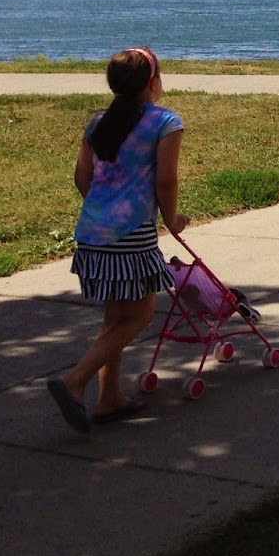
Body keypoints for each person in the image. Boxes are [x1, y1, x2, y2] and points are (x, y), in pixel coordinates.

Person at [46, 47, 186, 433]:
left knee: (115, 317)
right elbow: (166, 181)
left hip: (92, 233)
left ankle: (109, 399)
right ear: (153, 82)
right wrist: (173, 220)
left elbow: (81, 178)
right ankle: (75, 381)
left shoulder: (98, 123)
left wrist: (103, 211)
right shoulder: (165, 122)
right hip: (131, 235)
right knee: (139, 316)